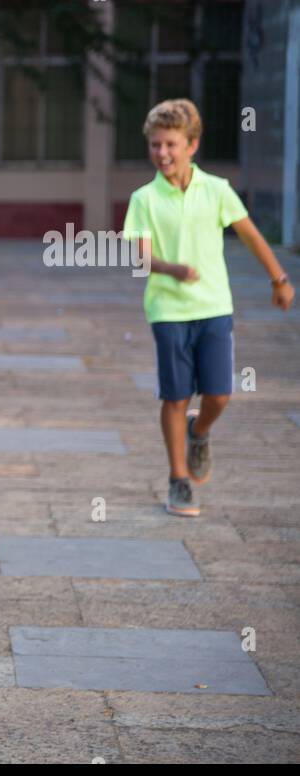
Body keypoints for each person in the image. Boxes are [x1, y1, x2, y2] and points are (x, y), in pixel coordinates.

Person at [122, 98, 294, 516]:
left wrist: (279, 278)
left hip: (214, 307)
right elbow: (139, 259)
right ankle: (178, 480)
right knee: (175, 395)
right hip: (167, 311)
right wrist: (172, 269)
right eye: (155, 145)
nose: (162, 153)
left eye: (171, 145)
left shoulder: (217, 190)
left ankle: (200, 432)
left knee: (219, 394)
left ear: (192, 145)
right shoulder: (144, 199)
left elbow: (251, 235)